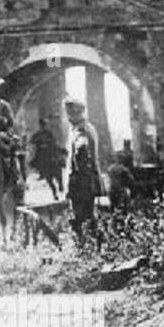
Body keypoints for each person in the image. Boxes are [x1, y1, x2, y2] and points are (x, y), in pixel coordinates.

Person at [65, 97, 103, 242]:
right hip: (84, 181)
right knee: (86, 216)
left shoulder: (82, 130)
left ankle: (87, 247)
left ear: (79, 113)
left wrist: (76, 178)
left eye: (71, 113)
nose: (69, 117)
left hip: (82, 182)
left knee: (82, 217)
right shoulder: (80, 128)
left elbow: (83, 150)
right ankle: (91, 246)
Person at [29, 116, 65, 200]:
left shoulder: (49, 133)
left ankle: (60, 183)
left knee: (57, 159)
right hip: (42, 154)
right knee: (46, 174)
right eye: (42, 125)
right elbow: (32, 141)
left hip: (50, 152)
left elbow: (54, 142)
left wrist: (50, 145)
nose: (43, 126)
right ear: (40, 125)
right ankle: (53, 190)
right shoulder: (37, 134)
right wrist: (38, 144)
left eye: (44, 125)